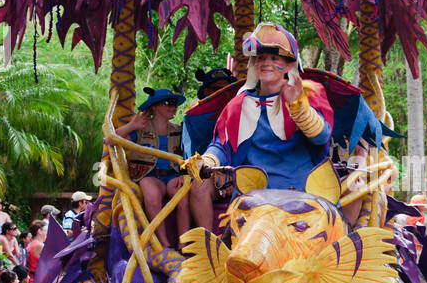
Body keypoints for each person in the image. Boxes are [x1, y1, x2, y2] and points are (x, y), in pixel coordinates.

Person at [188, 22, 333, 230]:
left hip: (301, 197)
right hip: (253, 198)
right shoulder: (238, 105)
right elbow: (221, 144)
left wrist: (298, 107)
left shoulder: (307, 95)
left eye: (275, 58)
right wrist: (205, 161)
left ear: (289, 65)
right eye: (261, 58)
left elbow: (321, 137)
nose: (266, 63)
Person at [117, 87, 191, 238]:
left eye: (175, 103)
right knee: (152, 196)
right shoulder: (140, 129)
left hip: (172, 176)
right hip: (149, 175)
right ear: (155, 106)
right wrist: (132, 125)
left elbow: (189, 153)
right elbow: (110, 139)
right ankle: (163, 243)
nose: (173, 107)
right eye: (168, 103)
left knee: (183, 197)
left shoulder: (178, 130)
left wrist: (183, 174)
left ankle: (184, 245)